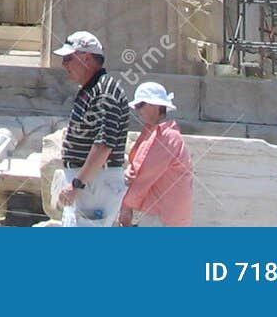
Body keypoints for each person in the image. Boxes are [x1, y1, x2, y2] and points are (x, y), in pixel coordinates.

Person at [52, 30, 130, 226]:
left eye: (68, 58)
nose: (64, 64)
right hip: (89, 182)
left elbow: (104, 145)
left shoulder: (104, 93)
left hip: (95, 184)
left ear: (85, 58)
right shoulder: (92, 90)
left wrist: (77, 184)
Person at [116, 81, 193, 226]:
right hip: (159, 213)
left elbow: (145, 176)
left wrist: (126, 206)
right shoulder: (154, 134)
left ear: (155, 106)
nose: (137, 110)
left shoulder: (168, 137)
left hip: (165, 216)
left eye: (140, 105)